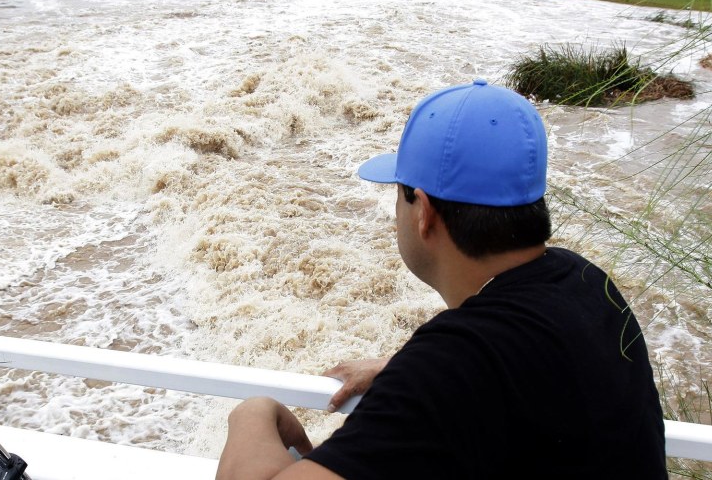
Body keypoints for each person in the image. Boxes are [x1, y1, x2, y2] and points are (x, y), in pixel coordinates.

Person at [216, 80, 667, 480]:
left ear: (425, 214)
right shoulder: (586, 282)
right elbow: (527, 369)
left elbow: (466, 370)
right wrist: (404, 366)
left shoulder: (452, 368)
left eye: (398, 195)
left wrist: (253, 413)